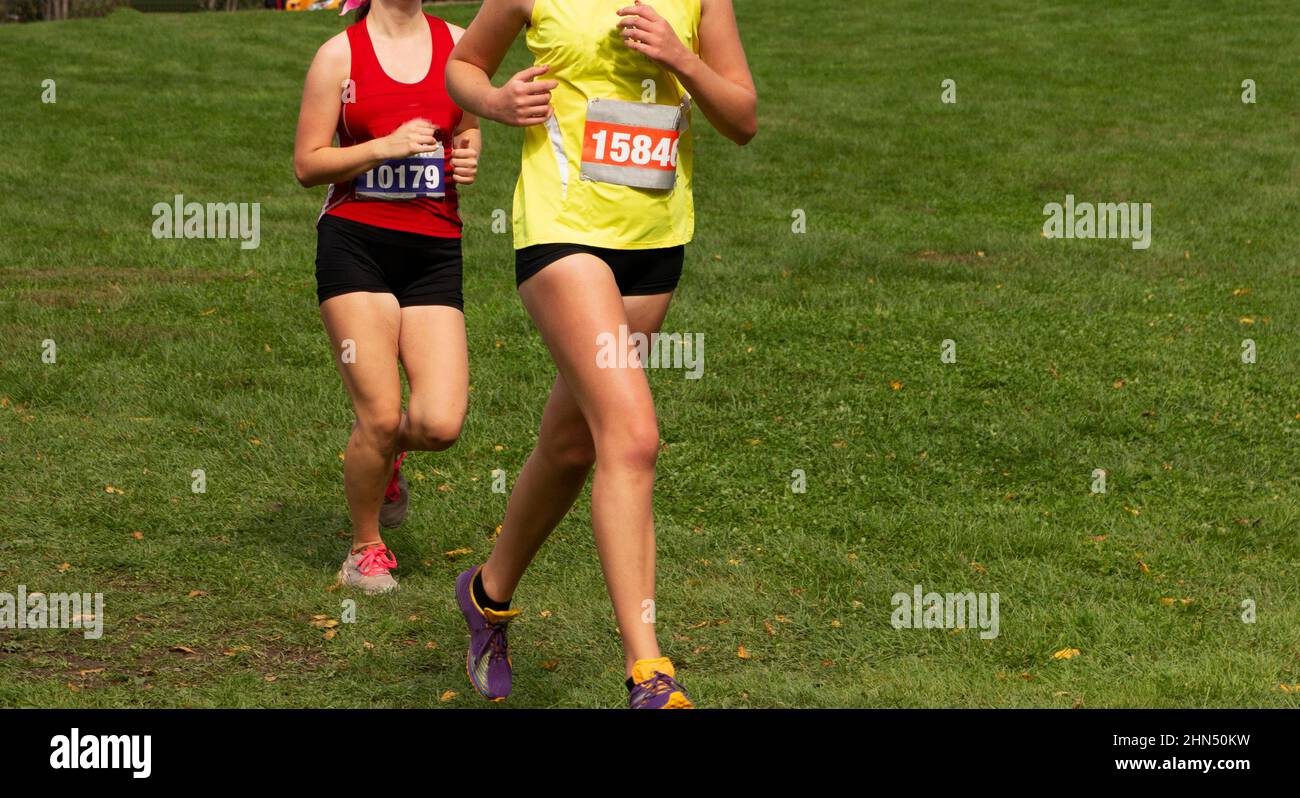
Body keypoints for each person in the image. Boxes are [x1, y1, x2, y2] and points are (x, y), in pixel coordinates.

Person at [446, 0, 755, 707]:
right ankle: (649, 672)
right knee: (633, 436)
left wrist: (681, 58)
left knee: (570, 445)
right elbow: (461, 66)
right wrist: (495, 100)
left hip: (654, 241)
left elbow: (742, 118)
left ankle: (487, 595)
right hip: (564, 230)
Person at [293, 0, 481, 594]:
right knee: (377, 414)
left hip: (434, 250)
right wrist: (383, 147)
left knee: (439, 423)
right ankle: (365, 549)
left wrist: (472, 151)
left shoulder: (461, 43)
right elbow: (307, 164)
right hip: (356, 245)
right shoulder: (339, 55)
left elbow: (468, 127)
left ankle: (386, 458)